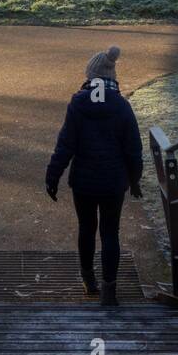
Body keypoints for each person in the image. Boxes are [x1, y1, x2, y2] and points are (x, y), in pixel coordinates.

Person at [45, 46, 144, 306]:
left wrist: (52, 177)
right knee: (111, 232)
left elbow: (65, 145)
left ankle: (88, 280)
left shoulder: (78, 105)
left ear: (91, 76)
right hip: (113, 183)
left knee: (87, 229)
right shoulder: (122, 107)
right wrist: (135, 180)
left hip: (84, 183)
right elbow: (134, 149)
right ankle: (109, 290)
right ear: (112, 77)